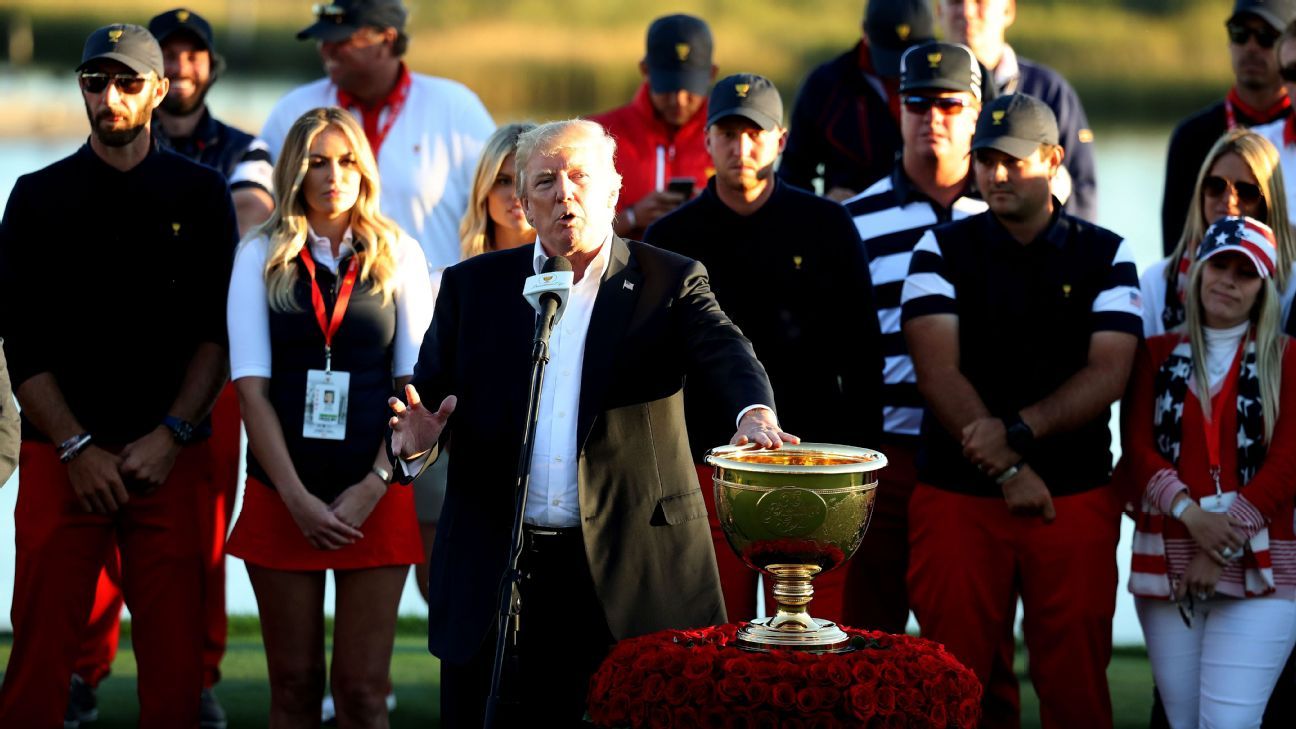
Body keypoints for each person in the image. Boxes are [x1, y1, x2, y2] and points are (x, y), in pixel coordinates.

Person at [387, 119, 792, 726]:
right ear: (522, 203)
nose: (563, 193)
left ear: (612, 190)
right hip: (503, 574)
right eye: (544, 181)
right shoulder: (473, 288)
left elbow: (725, 351)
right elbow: (429, 403)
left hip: (632, 568)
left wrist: (753, 411)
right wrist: (416, 446)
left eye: (580, 176)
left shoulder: (669, 280)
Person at [0, 24, 236, 728]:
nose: (110, 96)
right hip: (59, 459)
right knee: (39, 655)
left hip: (169, 460)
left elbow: (215, 336)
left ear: (159, 91)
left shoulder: (200, 194)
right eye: (95, 82)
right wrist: (75, 444)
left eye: (128, 82)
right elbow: (23, 343)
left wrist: (171, 433)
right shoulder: (36, 195)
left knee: (174, 670)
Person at [901, 93, 1142, 729]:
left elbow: (1110, 371)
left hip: (1073, 497)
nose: (996, 174)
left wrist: (1015, 437)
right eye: (985, 159)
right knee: (953, 684)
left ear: (1055, 160)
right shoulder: (938, 247)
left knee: (1075, 684)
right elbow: (936, 370)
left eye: (1012, 160)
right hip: (958, 498)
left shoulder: (1108, 254)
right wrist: (1009, 470)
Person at [66, 12, 268, 726]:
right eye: (169, 56)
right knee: (91, 526)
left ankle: (199, 675)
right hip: (112, 379)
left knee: (198, 537)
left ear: (208, 67)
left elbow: (251, 215)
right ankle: (84, 668)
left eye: (193, 56)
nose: (182, 68)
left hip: (206, 370)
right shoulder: (101, 145)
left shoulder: (246, 149)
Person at [644, 73, 883, 624]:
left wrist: (862, 464)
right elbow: (656, 361)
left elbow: (863, 353)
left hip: (817, 461)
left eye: (755, 133)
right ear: (706, 140)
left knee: (815, 629)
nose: (741, 147)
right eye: (727, 133)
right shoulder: (670, 236)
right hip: (709, 460)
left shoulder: (827, 223)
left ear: (780, 141)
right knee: (717, 627)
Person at [223, 107, 433, 728]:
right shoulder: (258, 255)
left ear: (363, 168)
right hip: (280, 494)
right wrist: (294, 497)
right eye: (317, 161)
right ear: (295, 169)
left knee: (364, 692)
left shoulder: (400, 251)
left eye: (345, 160)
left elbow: (416, 391)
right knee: (293, 686)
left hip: (377, 492)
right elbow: (250, 391)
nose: (332, 175)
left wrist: (375, 483)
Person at [1123, 216, 1296, 728]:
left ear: (1263, 289)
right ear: (1196, 272)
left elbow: (1287, 465)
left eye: (1244, 273)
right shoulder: (1153, 354)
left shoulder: (1288, 359)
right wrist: (1188, 513)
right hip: (1168, 563)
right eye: (1219, 264)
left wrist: (1217, 544)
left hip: (1264, 566)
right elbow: (1136, 448)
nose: (1227, 280)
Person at [844, 41, 987, 635]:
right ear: (899, 109)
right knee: (867, 634)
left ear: (976, 112)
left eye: (949, 105)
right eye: (918, 103)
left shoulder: (1002, 213)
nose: (932, 118)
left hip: (975, 455)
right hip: (885, 456)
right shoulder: (853, 219)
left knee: (970, 637)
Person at [258, 0, 494, 272]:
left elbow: (503, 206)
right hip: (329, 301)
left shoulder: (456, 107)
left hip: (439, 301)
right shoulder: (295, 109)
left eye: (341, 40)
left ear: (387, 39)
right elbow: (258, 199)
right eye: (323, 40)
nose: (326, 50)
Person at [409, 122, 539, 605]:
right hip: (455, 459)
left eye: (525, 179)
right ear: (482, 191)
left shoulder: (582, 279)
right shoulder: (448, 280)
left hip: (543, 469)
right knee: (446, 595)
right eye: (501, 181)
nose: (514, 195)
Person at [935, 0, 1097, 221]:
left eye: (980, 2)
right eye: (955, 2)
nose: (966, 11)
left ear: (1008, 10)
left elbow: (1082, 190)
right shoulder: (917, 97)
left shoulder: (1049, 90)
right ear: (938, 10)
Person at [1162, 0, 1296, 255]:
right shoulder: (1191, 136)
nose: (1251, 47)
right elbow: (1176, 250)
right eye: (1240, 34)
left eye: (1266, 37)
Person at [1141, 129, 1296, 338]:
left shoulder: (1292, 286)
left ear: (1270, 203)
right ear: (1200, 191)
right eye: (1216, 185)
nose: (1228, 200)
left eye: (1247, 191)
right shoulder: (1156, 282)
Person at [780, 0, 935, 201]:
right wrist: (823, 205)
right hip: (849, 224)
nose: (900, 73)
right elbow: (793, 172)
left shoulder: (955, 84)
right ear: (864, 31)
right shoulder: (826, 86)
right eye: (891, 57)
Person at [588, 14, 717, 239]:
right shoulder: (596, 134)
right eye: (667, 87)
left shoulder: (732, 139)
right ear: (645, 70)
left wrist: (710, 210)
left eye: (690, 87)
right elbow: (568, 232)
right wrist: (632, 217)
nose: (679, 100)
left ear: (712, 74)